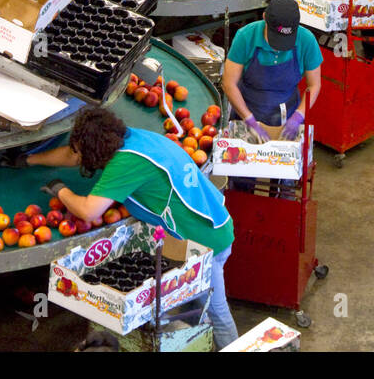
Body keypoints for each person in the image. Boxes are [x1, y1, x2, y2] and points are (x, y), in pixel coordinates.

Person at [28, 106, 239, 348]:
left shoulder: (126, 162)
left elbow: (89, 210)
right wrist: (30, 159)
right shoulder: (135, 137)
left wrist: (60, 189)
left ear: (95, 149)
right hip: (214, 223)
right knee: (187, 308)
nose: (79, 158)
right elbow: (72, 154)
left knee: (215, 310)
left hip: (204, 243)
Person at [221, 0, 323, 141]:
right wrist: (249, 120)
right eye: (276, 38)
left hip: (286, 116)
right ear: (264, 18)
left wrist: (298, 116)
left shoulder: (306, 40)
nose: (279, 46)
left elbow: (314, 85)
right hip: (247, 110)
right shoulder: (246, 37)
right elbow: (228, 83)